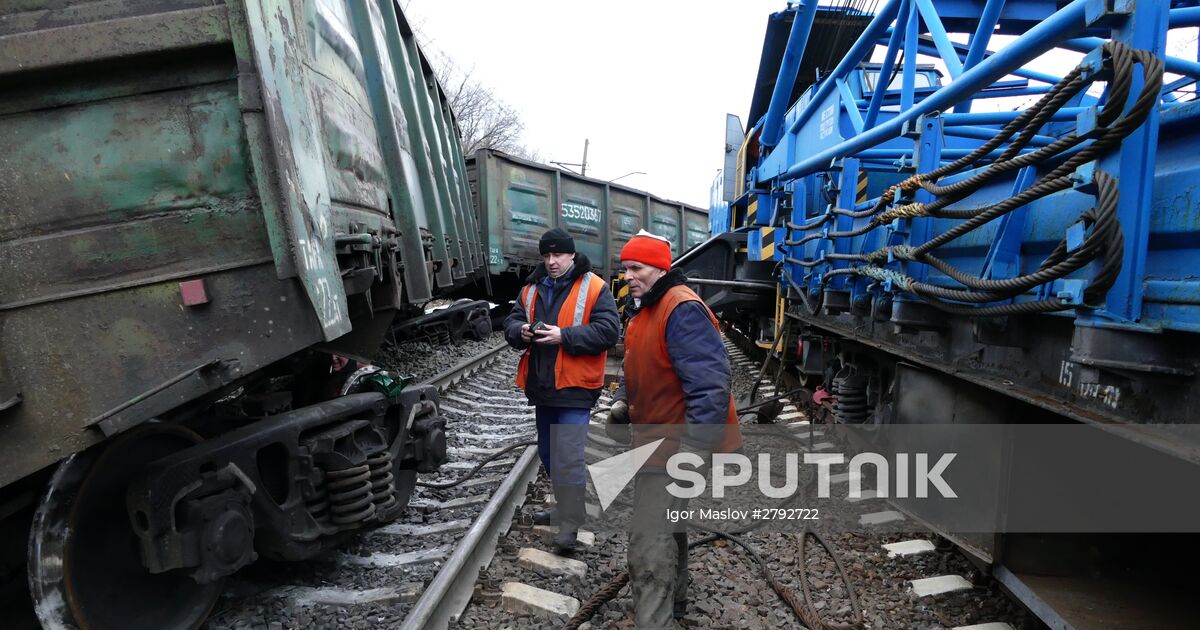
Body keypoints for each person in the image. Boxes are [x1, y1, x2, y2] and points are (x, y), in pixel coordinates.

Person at [614, 230, 742, 628]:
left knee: (647, 544)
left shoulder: (681, 309)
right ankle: (677, 606)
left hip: (674, 446)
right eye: (625, 268)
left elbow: (710, 387)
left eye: (636, 268)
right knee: (668, 526)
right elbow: (640, 362)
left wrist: (694, 452)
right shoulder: (648, 307)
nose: (628, 276)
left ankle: (656, 622)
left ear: (660, 268)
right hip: (656, 441)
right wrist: (622, 400)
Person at [503, 227, 620, 552]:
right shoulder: (531, 288)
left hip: (576, 387)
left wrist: (564, 336)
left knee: (567, 455)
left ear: (571, 255)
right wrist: (521, 331)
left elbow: (609, 331)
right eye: (547, 255)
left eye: (558, 255)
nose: (552, 261)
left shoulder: (594, 287)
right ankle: (565, 508)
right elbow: (510, 322)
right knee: (549, 453)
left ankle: (570, 521)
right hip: (543, 386)